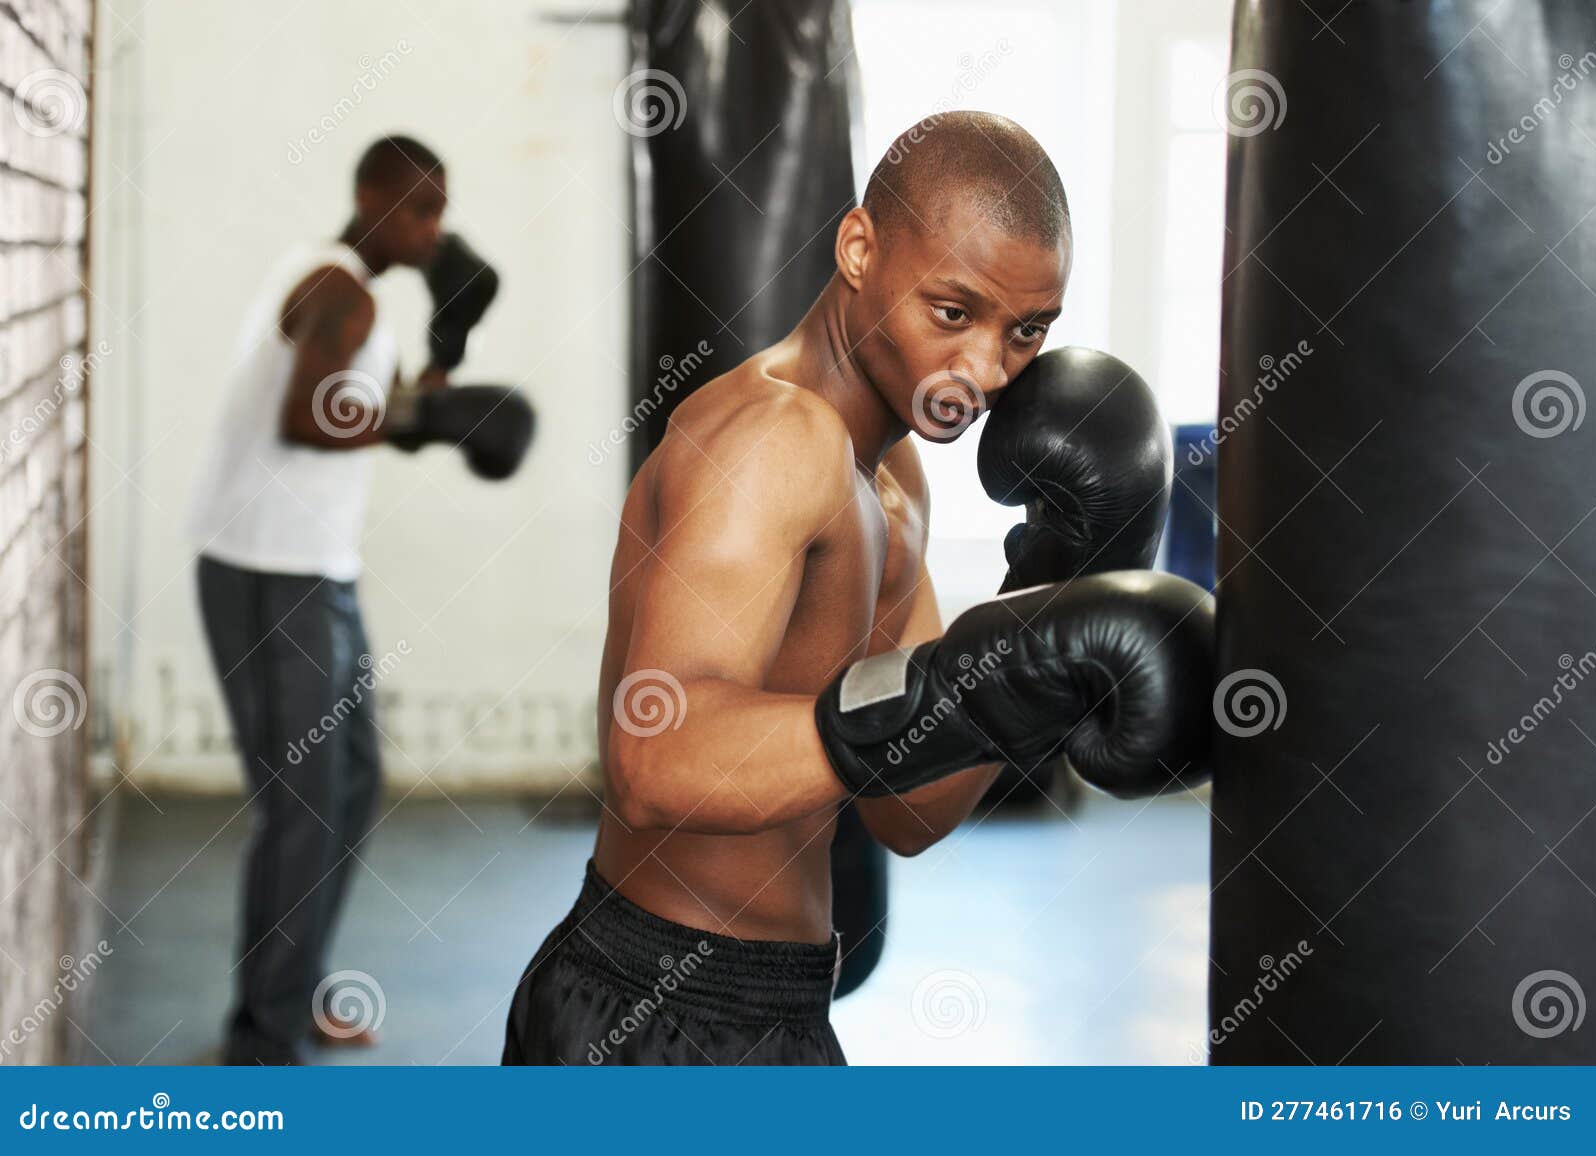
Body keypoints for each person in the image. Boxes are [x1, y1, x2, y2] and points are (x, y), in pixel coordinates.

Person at [502, 111, 1212, 1066]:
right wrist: (964, 680)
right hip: (649, 1013)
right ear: (858, 247)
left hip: (779, 1010)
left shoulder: (893, 482)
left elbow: (904, 811)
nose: (986, 370)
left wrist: (1042, 601)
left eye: (1026, 331)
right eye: (953, 312)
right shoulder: (772, 438)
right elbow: (652, 760)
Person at [188, 135, 527, 1065]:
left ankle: (290, 995)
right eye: (419, 208)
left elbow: (350, 405)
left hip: (315, 570)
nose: (432, 229)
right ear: (370, 197)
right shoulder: (341, 287)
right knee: (302, 804)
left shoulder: (353, 294)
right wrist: (426, 421)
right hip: (264, 571)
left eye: (440, 211)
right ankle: (259, 1038)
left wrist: (432, 386)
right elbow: (309, 413)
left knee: (350, 784)